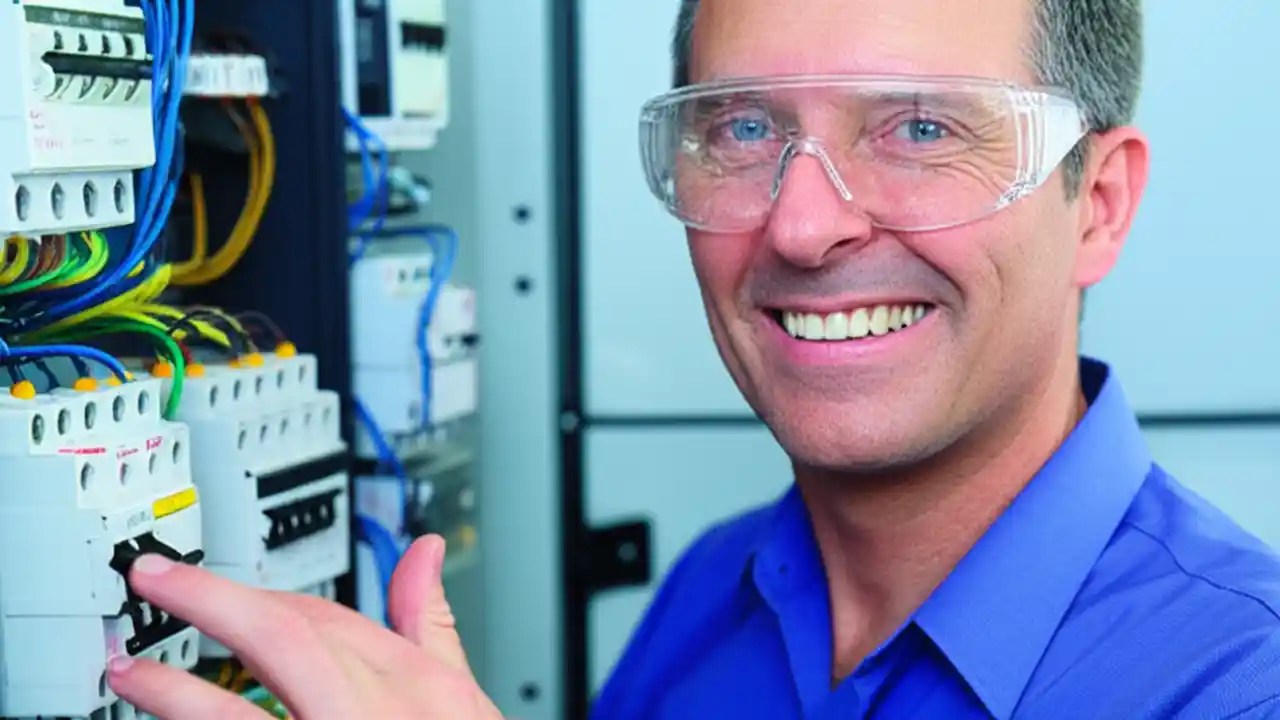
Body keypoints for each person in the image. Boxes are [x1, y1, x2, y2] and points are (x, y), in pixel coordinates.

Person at [105, 0, 1280, 718]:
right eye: (744, 130)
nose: (803, 227)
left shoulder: (1235, 686)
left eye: (921, 128)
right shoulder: (718, 594)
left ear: (1098, 205)